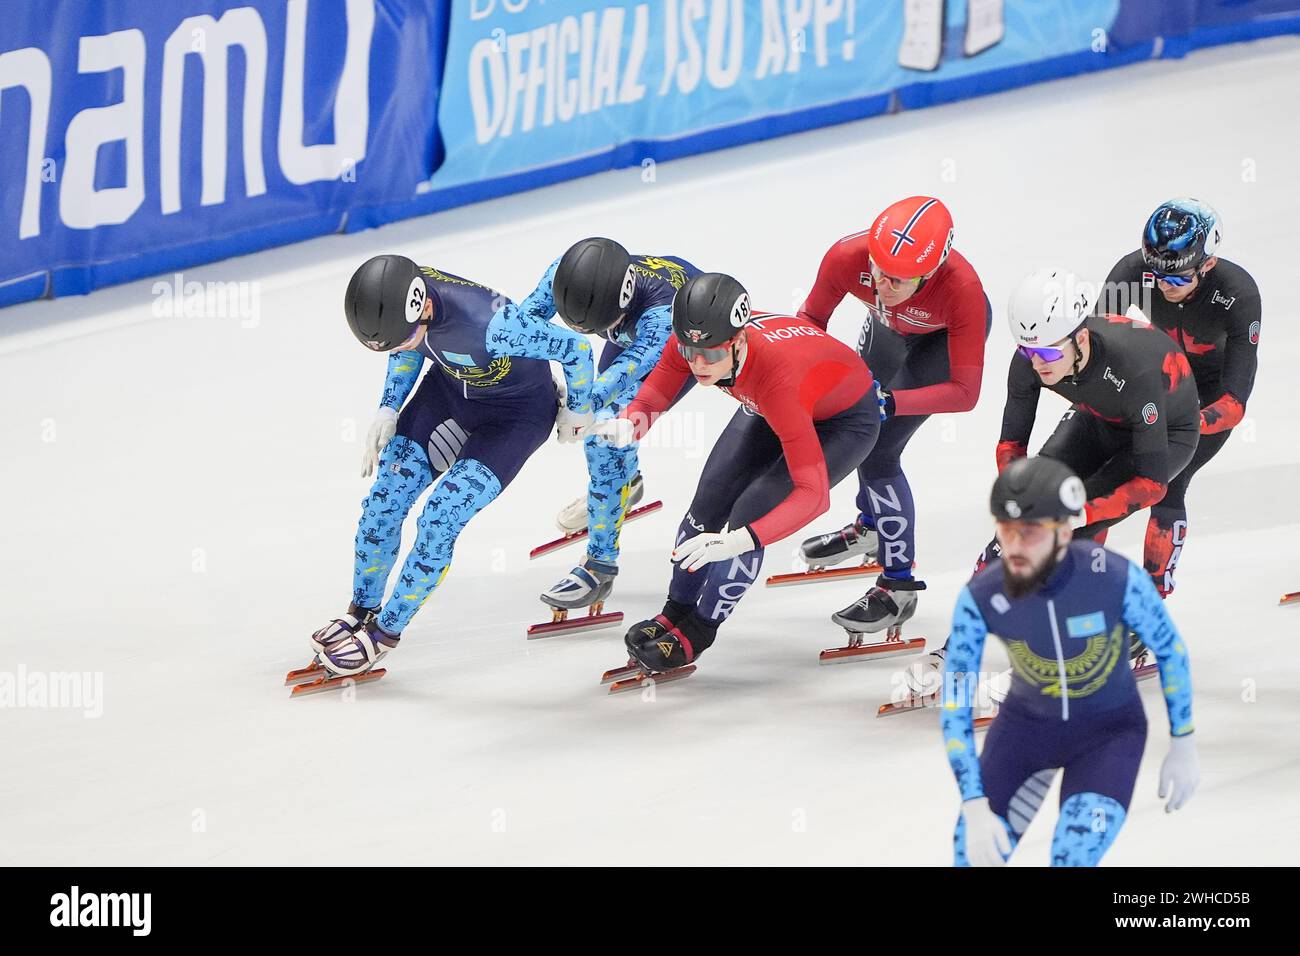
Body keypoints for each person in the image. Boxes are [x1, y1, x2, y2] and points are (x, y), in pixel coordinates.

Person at [306, 254, 589, 681]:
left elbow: (576, 346)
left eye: (403, 340)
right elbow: (406, 346)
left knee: (441, 517)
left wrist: (579, 410)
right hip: (450, 394)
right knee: (383, 502)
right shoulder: (405, 303)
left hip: (515, 417)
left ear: (424, 308)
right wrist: (388, 408)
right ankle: (362, 610)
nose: (401, 349)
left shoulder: (493, 323)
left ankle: (384, 633)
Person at [590, 273, 881, 674]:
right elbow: (659, 387)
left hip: (841, 421)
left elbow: (813, 495)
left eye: (709, 356)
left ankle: (700, 630)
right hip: (769, 403)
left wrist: (741, 540)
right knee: (708, 503)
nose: (697, 364)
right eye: (690, 352)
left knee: (751, 510)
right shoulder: (697, 338)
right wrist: (632, 421)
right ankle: (676, 610)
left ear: (739, 341)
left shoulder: (778, 380)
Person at [941, 456, 1198, 867]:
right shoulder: (981, 595)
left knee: (1072, 856)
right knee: (969, 858)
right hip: (1024, 735)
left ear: (1064, 531)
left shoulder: (1113, 577)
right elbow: (955, 702)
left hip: (1107, 737)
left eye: (1030, 532)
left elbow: (1170, 650)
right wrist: (973, 803)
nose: (1015, 546)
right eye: (1005, 532)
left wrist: (1182, 739)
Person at [794, 196, 990, 636]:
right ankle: (872, 526)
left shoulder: (963, 291)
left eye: (900, 279)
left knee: (878, 449)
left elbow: (965, 394)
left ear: (934, 267)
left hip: (938, 345)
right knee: (855, 430)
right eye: (878, 271)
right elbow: (809, 320)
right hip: (888, 331)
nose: (884, 284)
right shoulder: (847, 256)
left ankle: (898, 588)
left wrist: (892, 402)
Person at [495, 238, 700, 619]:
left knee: (605, 438)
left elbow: (623, 377)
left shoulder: (660, 318)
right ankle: (629, 483)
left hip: (677, 344)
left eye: (598, 326)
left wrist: (577, 408)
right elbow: (523, 327)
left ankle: (599, 567)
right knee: (605, 426)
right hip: (631, 333)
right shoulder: (563, 273)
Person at [1098, 199, 1261, 597]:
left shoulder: (1238, 293)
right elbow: (1095, 346)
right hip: (1157, 385)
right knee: (1097, 478)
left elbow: (1235, 401)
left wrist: (1187, 426)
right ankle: (1079, 587)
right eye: (1157, 278)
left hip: (1209, 400)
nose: (1163, 286)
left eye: (1176, 280)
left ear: (1206, 265)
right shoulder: (1132, 272)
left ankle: (1151, 606)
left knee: (1169, 480)